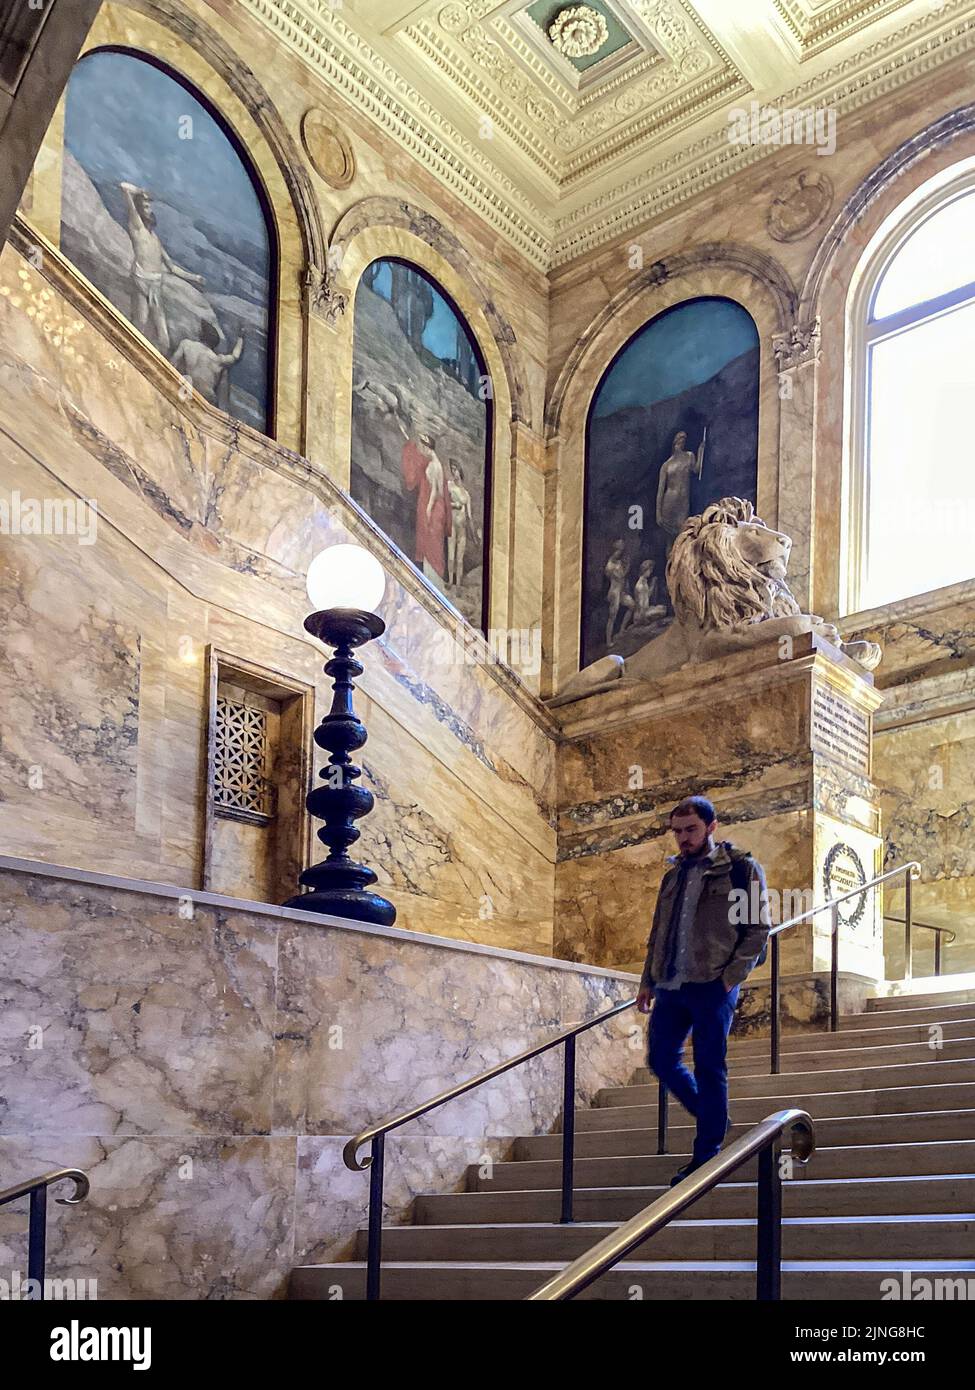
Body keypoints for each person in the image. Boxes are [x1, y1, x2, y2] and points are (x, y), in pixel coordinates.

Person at [636, 796, 771, 1186]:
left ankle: (706, 1154)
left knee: (710, 1066)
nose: (683, 838)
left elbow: (757, 930)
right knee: (661, 1059)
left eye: (691, 829)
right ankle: (714, 1117)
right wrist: (647, 980)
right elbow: (658, 932)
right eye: (677, 831)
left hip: (713, 984)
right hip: (670, 984)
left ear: (711, 827)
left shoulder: (741, 869)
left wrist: (731, 977)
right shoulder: (672, 877)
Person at [119, 182, 205, 353]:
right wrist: (139, 191)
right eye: (145, 206)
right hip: (141, 279)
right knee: (140, 323)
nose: (149, 209)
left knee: (163, 334)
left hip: (155, 285)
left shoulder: (155, 239)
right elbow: (123, 187)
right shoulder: (137, 226)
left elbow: (171, 267)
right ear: (139, 209)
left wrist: (194, 278)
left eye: (149, 206)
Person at [401, 431, 451, 581]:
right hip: (439, 507)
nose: (421, 449)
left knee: (431, 542)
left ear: (428, 447)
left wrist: (428, 510)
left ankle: (433, 577)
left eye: (423, 446)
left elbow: (434, 491)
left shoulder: (432, 466)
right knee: (433, 541)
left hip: (434, 507)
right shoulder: (437, 463)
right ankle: (432, 576)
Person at [171, 320, 244, 412]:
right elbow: (235, 356)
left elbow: (172, 363)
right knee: (224, 374)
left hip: (187, 390)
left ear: (202, 334)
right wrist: (240, 338)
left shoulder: (186, 344)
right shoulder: (217, 360)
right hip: (206, 397)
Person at [655, 429, 705, 553]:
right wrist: (658, 513)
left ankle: (678, 561)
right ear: (675, 441)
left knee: (681, 534)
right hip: (669, 503)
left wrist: (701, 451)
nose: (682, 441)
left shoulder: (689, 456)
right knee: (669, 539)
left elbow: (697, 469)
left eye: (684, 439)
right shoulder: (666, 465)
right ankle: (669, 563)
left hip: (683, 502)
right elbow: (661, 491)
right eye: (680, 438)